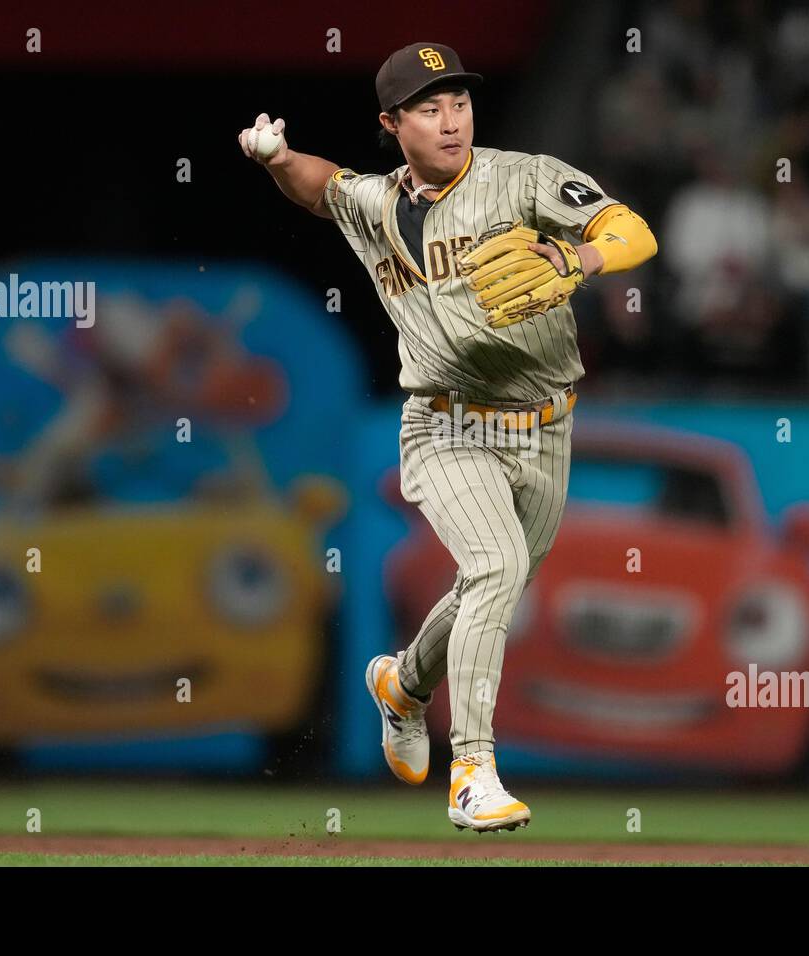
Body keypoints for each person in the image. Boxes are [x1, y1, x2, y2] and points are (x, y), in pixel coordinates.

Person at [238, 41, 658, 832]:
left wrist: (578, 254)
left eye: (458, 101)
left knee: (487, 589)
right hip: (446, 422)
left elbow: (633, 229)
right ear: (392, 123)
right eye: (429, 108)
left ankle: (402, 685)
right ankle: (473, 771)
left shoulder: (520, 177)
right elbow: (322, 186)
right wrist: (277, 157)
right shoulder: (377, 203)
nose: (451, 119)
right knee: (496, 566)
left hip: (546, 427)